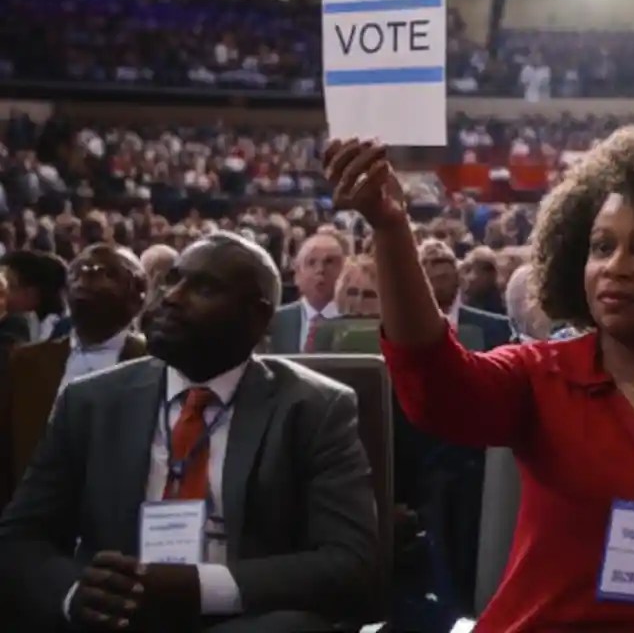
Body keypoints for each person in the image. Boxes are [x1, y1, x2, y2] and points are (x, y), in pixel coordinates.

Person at [327, 129, 634, 632]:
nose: (615, 267)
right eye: (601, 247)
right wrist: (391, 230)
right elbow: (433, 388)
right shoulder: (538, 376)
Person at [0, 231, 379, 632]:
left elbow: (350, 562)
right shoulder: (91, 402)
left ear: (258, 315)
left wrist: (200, 586)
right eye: (172, 280)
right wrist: (77, 591)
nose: (171, 298)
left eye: (203, 288)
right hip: (114, 620)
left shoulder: (314, 408)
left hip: (245, 621)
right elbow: (20, 538)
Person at [1, 244, 148, 508]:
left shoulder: (158, 362)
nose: (87, 277)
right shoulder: (25, 362)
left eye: (107, 273)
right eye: (78, 272)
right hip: (35, 520)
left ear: (138, 294)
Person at [418, 239, 513, 351]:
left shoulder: (495, 328)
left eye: (443, 277)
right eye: (430, 279)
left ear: (458, 278)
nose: (437, 286)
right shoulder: (404, 330)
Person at [267, 232, 344, 353]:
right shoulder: (274, 321)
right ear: (297, 275)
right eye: (311, 262)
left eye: (329, 262)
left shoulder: (356, 323)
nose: (320, 270)